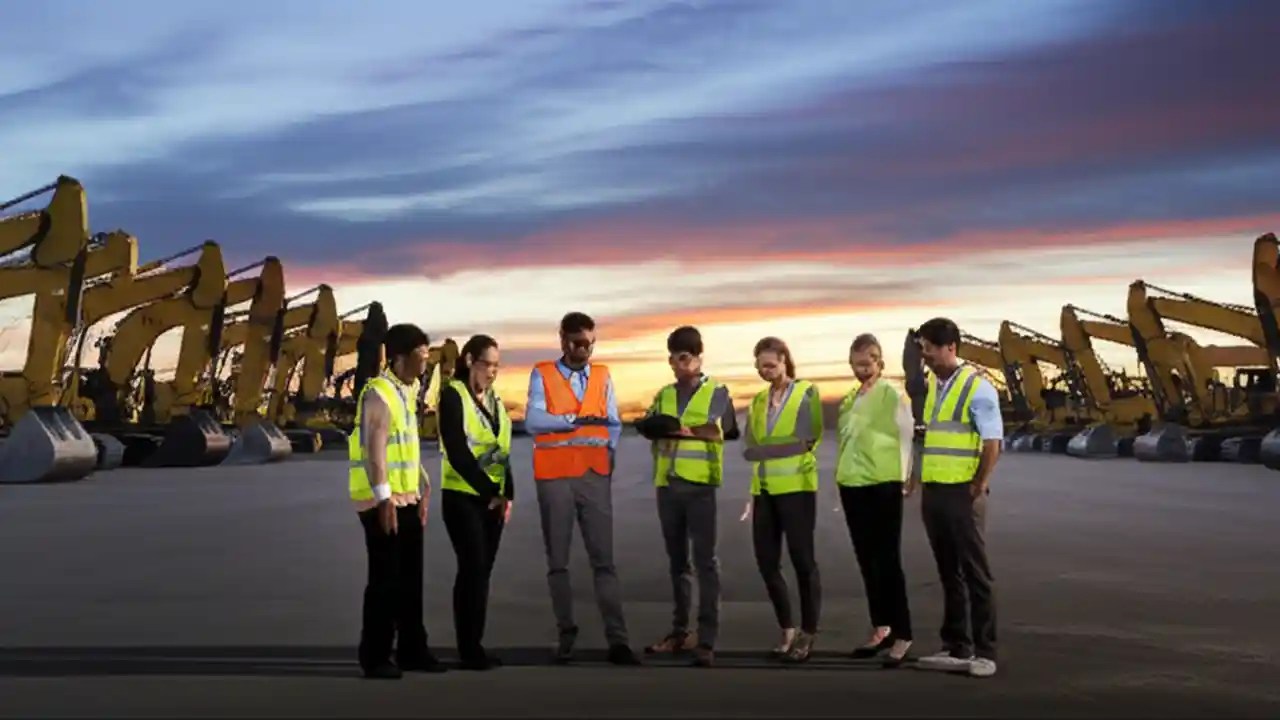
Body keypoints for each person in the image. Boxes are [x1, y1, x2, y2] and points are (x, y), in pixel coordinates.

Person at [524, 312, 639, 666]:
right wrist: (572, 421)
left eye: (589, 343)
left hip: (594, 475)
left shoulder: (603, 375)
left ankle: (618, 641)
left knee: (604, 561)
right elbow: (533, 420)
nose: (583, 349)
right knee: (558, 562)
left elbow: (614, 422)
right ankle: (566, 634)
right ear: (562, 340)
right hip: (555, 476)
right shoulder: (542, 373)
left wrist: (610, 452)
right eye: (576, 343)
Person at [635, 325, 740, 667]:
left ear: (698, 358)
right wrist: (652, 426)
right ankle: (680, 632)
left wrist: (679, 430)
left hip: (701, 488)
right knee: (678, 564)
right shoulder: (664, 394)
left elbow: (719, 431)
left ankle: (706, 640)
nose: (678, 365)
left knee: (706, 563)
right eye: (673, 359)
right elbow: (650, 423)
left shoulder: (718, 392)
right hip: (668, 486)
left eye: (685, 358)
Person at [347, 323, 446, 679]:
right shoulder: (380, 394)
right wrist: (384, 499)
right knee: (385, 581)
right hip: (380, 501)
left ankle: (412, 650)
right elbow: (374, 450)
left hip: (406, 498)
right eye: (421, 356)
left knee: (410, 579)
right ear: (401, 357)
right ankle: (374, 657)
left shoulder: (408, 390)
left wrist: (421, 489)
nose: (425, 363)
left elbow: (407, 447)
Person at [911, 317, 1004, 679]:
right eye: (922, 349)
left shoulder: (977, 387)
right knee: (949, 573)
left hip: (963, 493)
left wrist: (978, 484)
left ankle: (985, 651)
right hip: (935, 492)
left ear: (950, 346)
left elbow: (993, 443)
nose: (926, 356)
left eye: (929, 349)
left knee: (975, 573)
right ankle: (956, 647)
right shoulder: (936, 386)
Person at [740, 337, 824, 663]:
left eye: (771, 365)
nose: (765, 371)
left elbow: (806, 440)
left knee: (803, 562)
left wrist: (767, 450)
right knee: (766, 561)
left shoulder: (807, 393)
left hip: (797, 489)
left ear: (785, 361)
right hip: (764, 490)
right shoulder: (759, 401)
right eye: (760, 366)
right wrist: (772, 449)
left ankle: (809, 632)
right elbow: (749, 447)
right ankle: (787, 628)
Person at [836, 333, 916, 667]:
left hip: (883, 484)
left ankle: (903, 633)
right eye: (856, 363)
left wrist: (906, 476)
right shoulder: (849, 399)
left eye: (867, 363)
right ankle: (881, 627)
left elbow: (907, 436)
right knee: (867, 560)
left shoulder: (891, 396)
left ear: (879, 362)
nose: (861, 369)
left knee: (887, 561)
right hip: (853, 484)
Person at [438, 334, 513, 671]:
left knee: (483, 573)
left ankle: (475, 644)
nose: (493, 372)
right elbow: (457, 451)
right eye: (487, 364)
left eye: (497, 365)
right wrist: (490, 491)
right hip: (462, 498)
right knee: (472, 569)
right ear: (469, 361)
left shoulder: (495, 401)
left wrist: (507, 492)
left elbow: (500, 450)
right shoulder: (453, 396)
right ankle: (468, 649)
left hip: (492, 501)